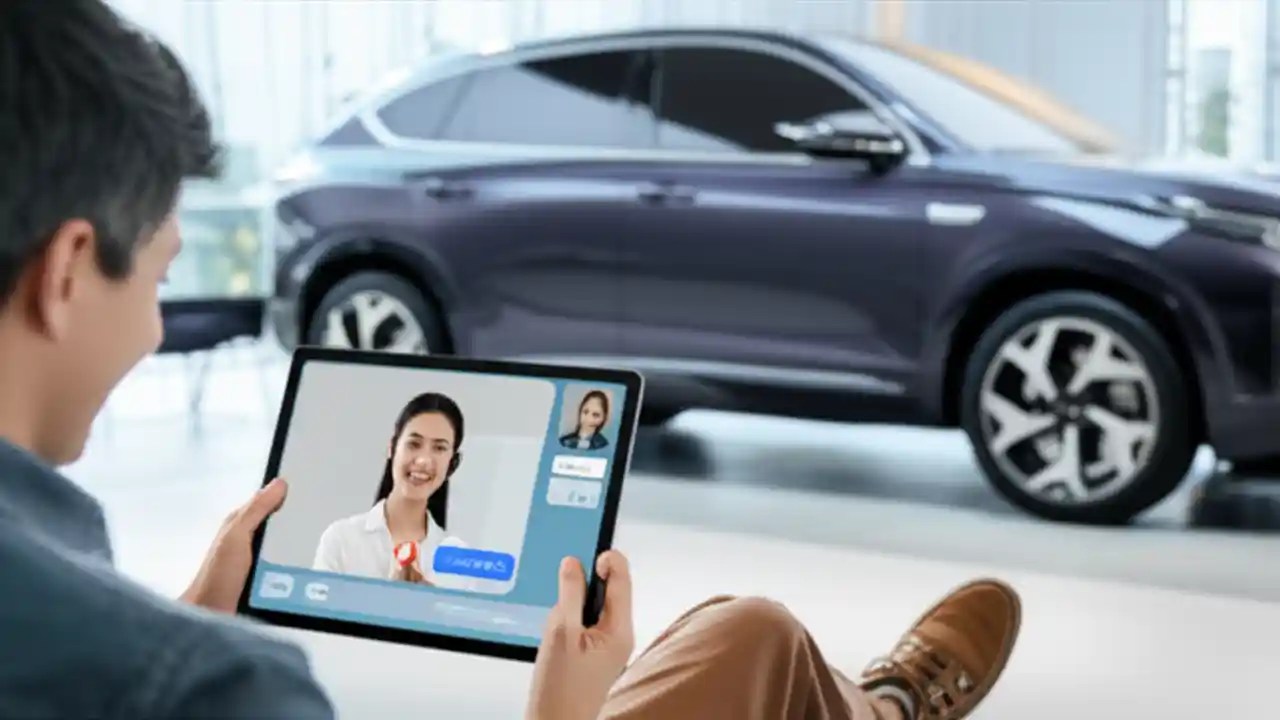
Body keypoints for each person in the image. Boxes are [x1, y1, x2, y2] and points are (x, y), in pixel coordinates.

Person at [0, 2, 1022, 718]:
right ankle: (884, 710)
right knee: (752, 640)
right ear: (70, 270)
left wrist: (187, 612)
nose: (151, 329)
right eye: (161, 277)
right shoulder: (210, 688)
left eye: (437, 447)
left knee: (745, 634)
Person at [312, 392, 476, 589]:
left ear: (453, 463)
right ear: (392, 447)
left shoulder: (457, 558)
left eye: (439, 448)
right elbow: (315, 618)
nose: (423, 460)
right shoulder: (341, 538)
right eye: (414, 444)